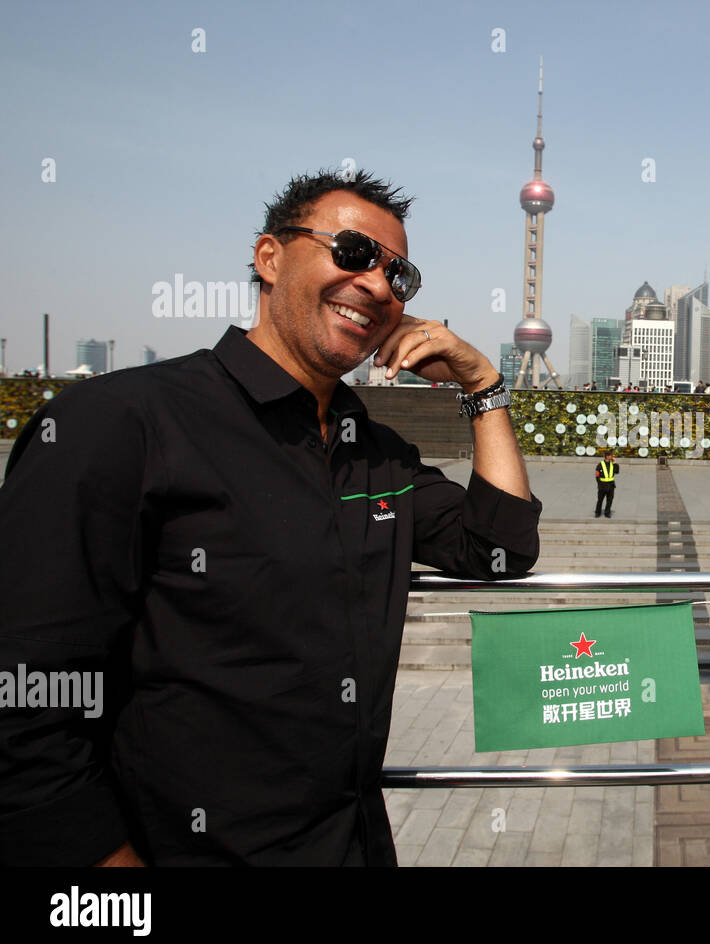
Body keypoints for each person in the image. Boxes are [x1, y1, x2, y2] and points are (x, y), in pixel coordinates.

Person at [0, 170, 542, 866]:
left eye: (398, 274)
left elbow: (498, 546)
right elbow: (25, 705)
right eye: (351, 252)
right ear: (269, 258)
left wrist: (482, 386)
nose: (377, 285)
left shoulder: (373, 455)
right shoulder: (119, 424)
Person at [595, 451, 618, 517]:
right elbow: (597, 475)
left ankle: (607, 513)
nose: (612, 457)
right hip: (602, 486)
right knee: (600, 500)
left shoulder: (612, 464)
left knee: (609, 500)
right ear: (607, 456)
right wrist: (599, 485)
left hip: (611, 485)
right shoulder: (600, 464)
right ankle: (597, 512)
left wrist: (615, 463)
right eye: (611, 456)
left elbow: (617, 471)